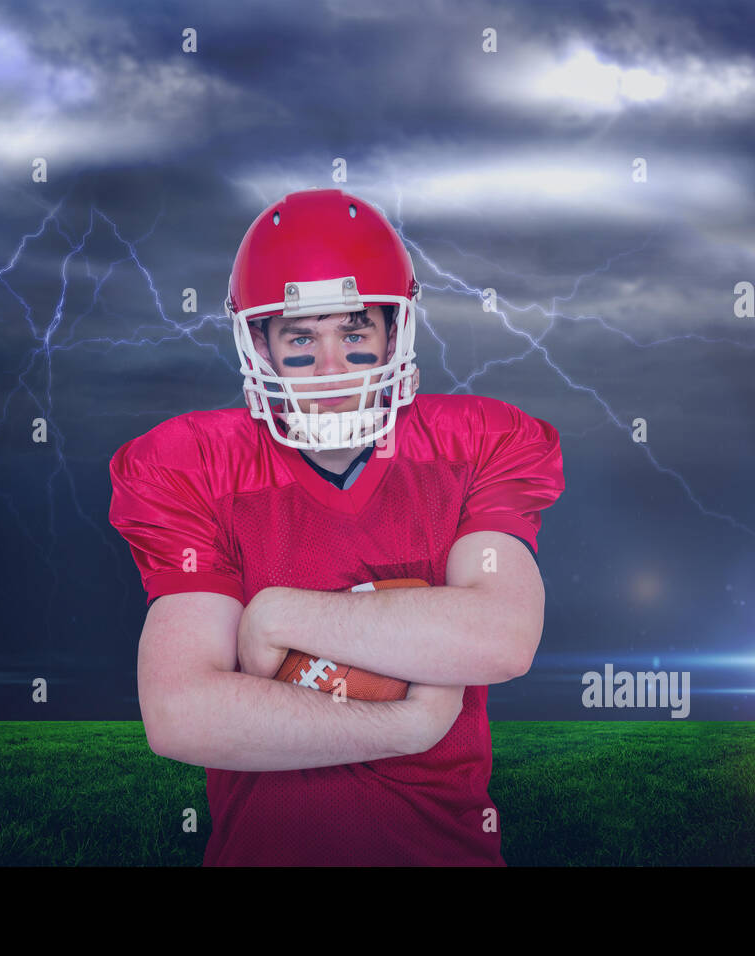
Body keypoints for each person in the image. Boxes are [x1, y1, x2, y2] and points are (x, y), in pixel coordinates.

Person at [108, 187, 564, 865]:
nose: (328, 370)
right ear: (258, 343)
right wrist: (407, 724)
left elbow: (501, 638)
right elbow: (182, 712)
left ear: (392, 332)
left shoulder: (476, 444)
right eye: (301, 338)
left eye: (353, 334)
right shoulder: (192, 466)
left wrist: (275, 618)